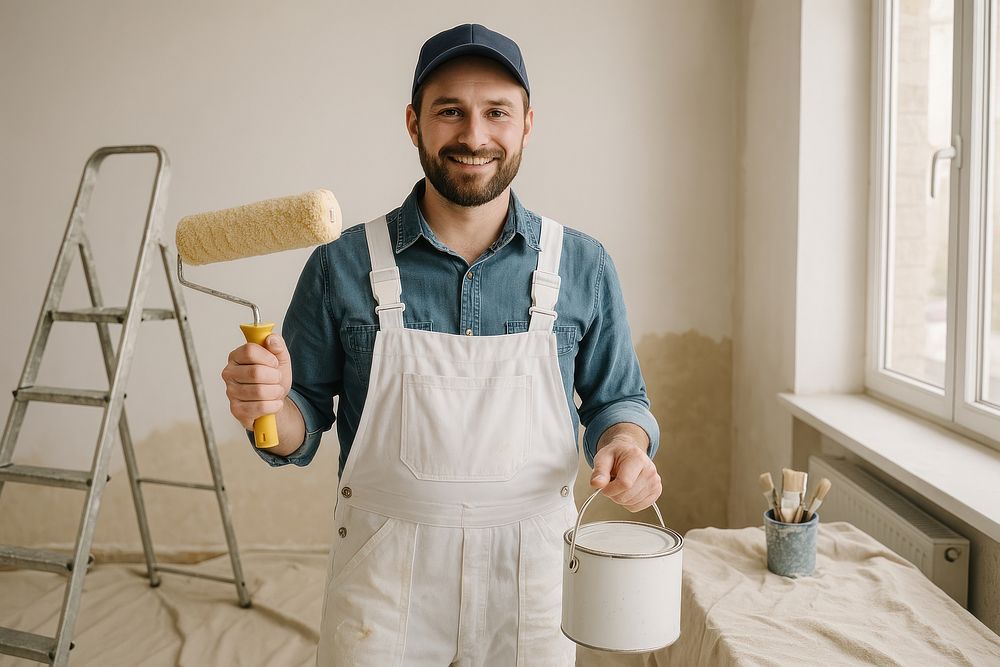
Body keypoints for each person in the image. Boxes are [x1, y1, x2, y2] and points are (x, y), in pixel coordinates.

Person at [221, 23, 662, 666]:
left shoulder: (582, 265)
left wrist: (626, 447)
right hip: (380, 585)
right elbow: (300, 427)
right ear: (414, 123)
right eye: (450, 111)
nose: (474, 135)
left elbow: (619, 400)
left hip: (532, 584)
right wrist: (265, 406)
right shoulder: (340, 265)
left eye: (496, 113)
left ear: (528, 124)